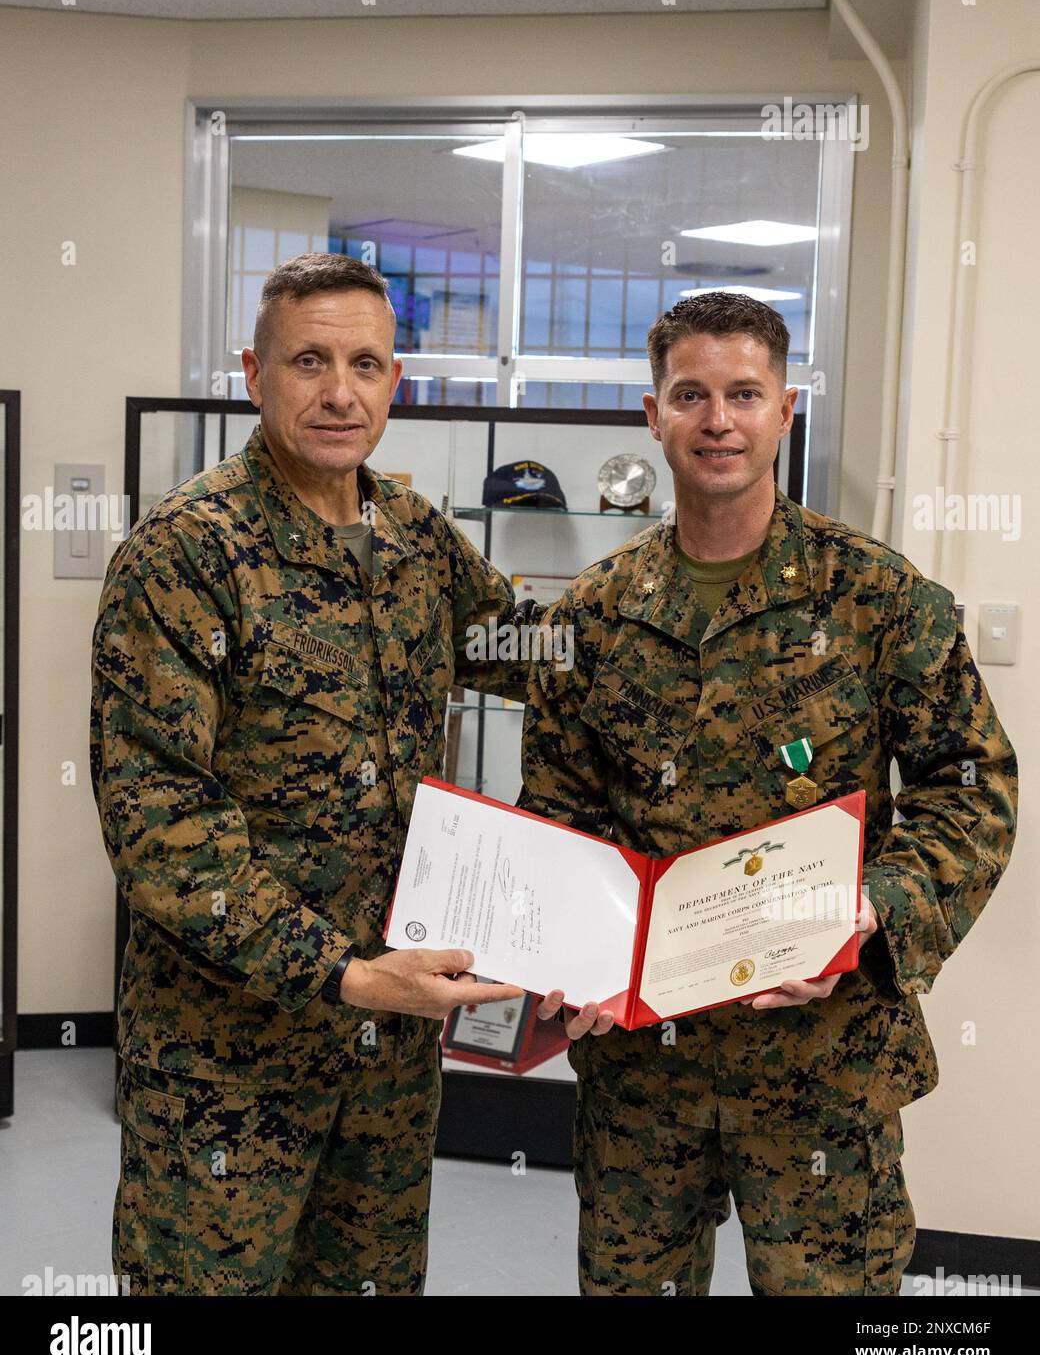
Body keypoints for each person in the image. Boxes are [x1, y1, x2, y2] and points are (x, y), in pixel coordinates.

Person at [520, 292, 1017, 1297]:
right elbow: (557, 814)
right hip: (641, 1072)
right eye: (689, 394)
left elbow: (969, 791)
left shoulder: (877, 599)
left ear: (784, 410)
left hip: (820, 1066)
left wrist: (872, 910)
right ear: (650, 416)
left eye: (743, 393)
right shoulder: (593, 616)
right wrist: (551, 947)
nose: (717, 420)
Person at [90, 253, 532, 1296]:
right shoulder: (186, 553)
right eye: (309, 361)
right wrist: (343, 972)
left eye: (366, 364)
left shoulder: (413, 535)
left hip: (386, 1050)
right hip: (230, 1058)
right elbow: (161, 826)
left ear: (396, 382)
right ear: (253, 372)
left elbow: (530, 656)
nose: (340, 391)